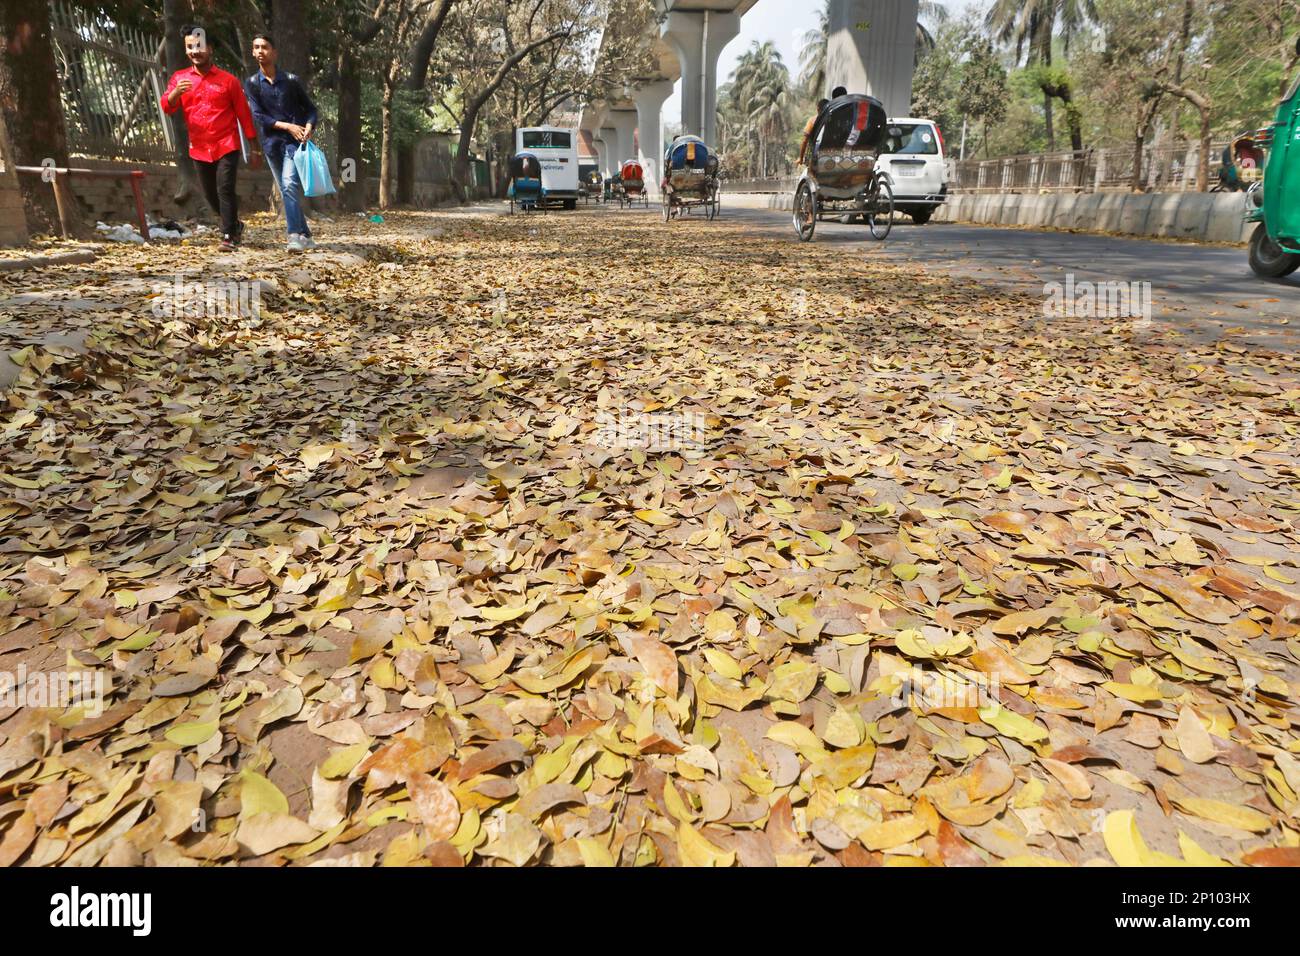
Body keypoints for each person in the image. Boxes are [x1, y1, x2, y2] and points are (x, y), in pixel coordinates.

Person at [160, 25, 257, 250]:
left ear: (210, 49)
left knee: (224, 188)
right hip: (200, 147)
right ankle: (235, 224)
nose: (195, 51)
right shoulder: (179, 78)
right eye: (190, 47)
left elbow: (244, 115)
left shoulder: (229, 81)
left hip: (227, 144)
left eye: (200, 46)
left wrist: (254, 147)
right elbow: (167, 107)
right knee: (210, 194)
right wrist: (175, 94)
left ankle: (229, 236)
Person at [246, 33, 319, 252]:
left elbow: (311, 109)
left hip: (294, 144)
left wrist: (308, 127)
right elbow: (259, 117)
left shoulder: (291, 81)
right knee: (286, 188)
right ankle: (306, 234)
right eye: (256, 47)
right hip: (271, 145)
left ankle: (294, 235)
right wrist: (286, 126)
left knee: (288, 185)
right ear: (252, 52)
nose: (260, 51)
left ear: (274, 52)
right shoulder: (252, 84)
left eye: (265, 47)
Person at [799, 98, 830, 167]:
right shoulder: (834, 120)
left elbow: (804, 141)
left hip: (815, 156)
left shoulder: (812, 121)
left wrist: (801, 158)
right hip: (831, 155)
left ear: (818, 109)